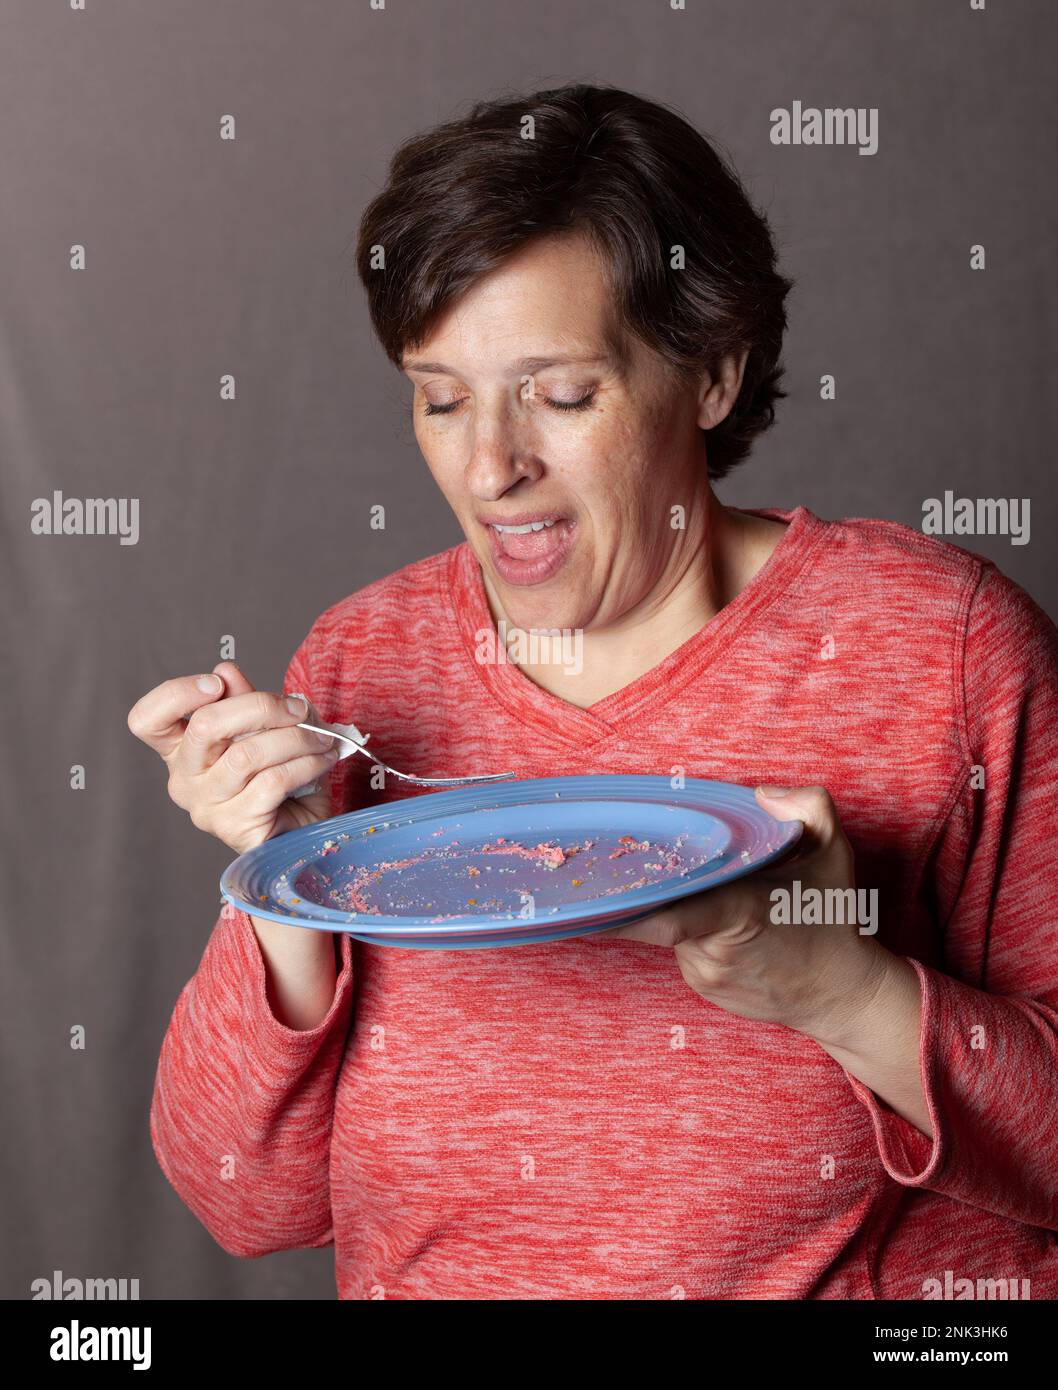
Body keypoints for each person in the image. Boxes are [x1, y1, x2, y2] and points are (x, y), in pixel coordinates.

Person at [130, 83, 1058, 1299]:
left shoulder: (939, 646)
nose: (490, 466)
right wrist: (282, 891)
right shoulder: (364, 663)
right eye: (440, 397)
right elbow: (246, 1201)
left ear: (712, 374)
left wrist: (842, 987)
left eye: (561, 395)